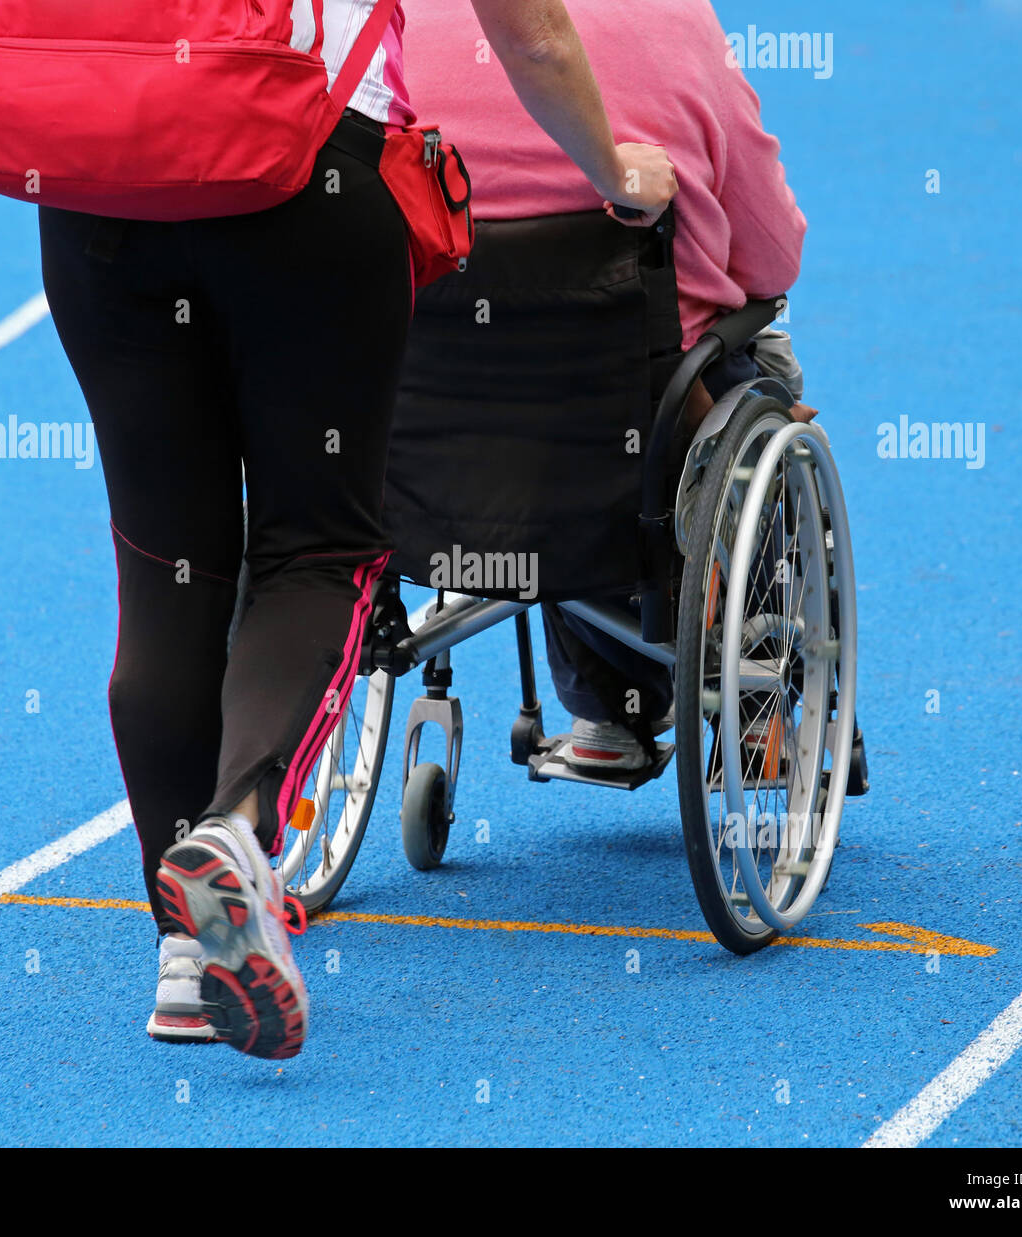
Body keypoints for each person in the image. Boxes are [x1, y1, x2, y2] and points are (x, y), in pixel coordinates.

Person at [37, 0, 677, 1060]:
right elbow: (533, 32)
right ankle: (237, 829)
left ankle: (186, 964)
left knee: (166, 567)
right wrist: (616, 174)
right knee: (316, 545)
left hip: (98, 171)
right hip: (303, 164)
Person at [403, 0, 815, 771]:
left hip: (433, 415)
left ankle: (604, 710)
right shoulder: (677, 22)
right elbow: (771, 256)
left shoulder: (400, 28)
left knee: (554, 383)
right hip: (629, 414)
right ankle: (756, 712)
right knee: (748, 377)